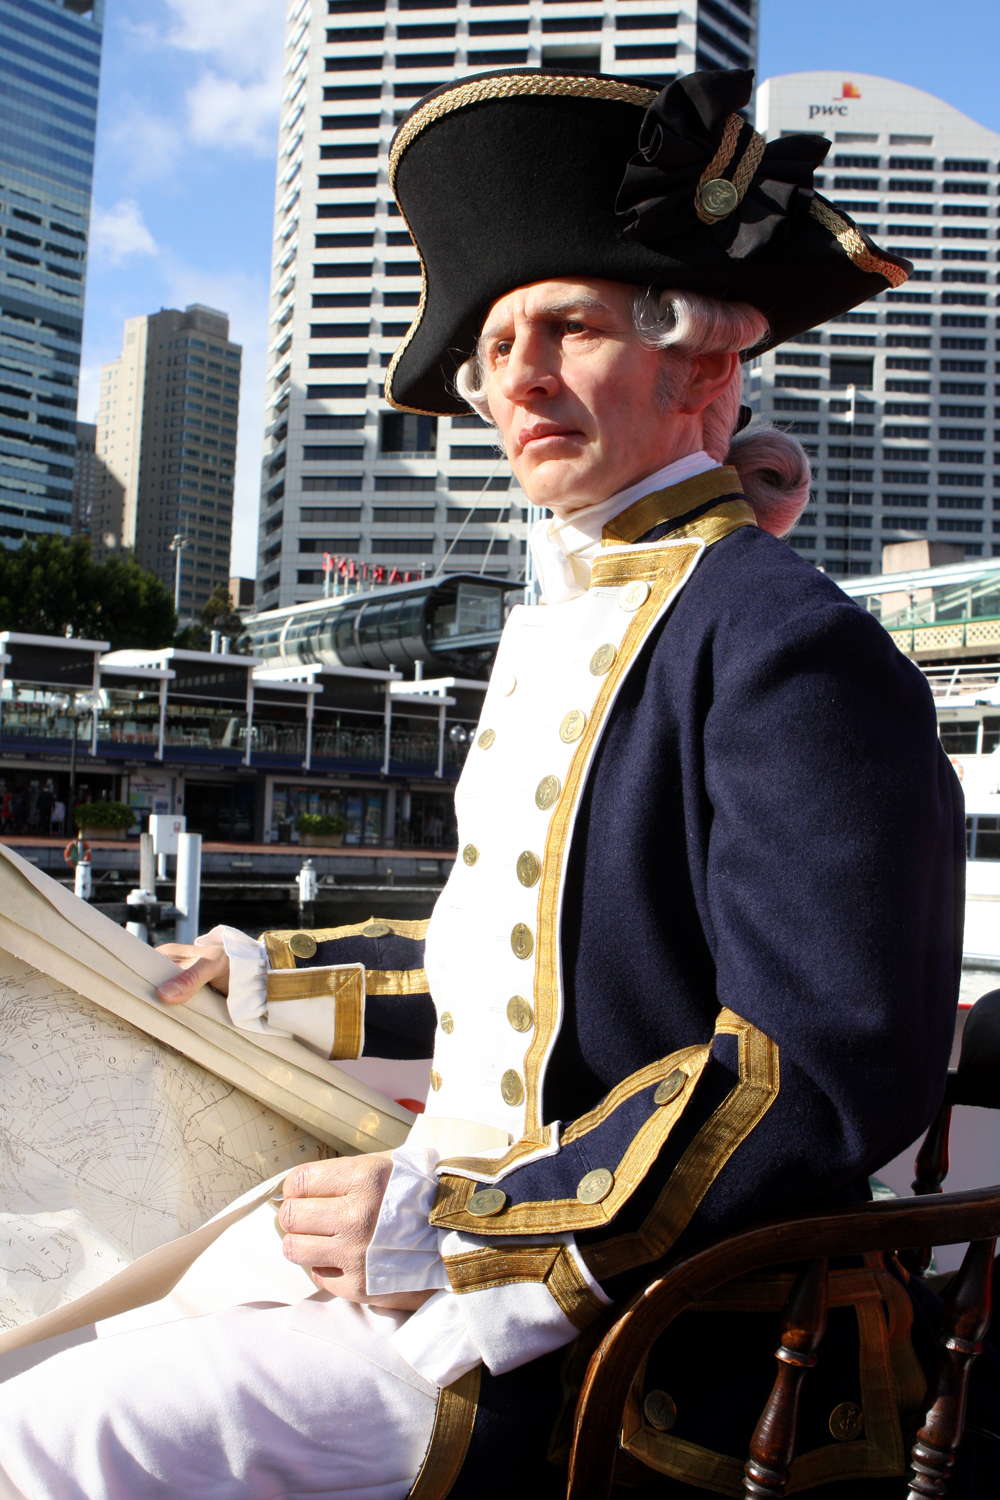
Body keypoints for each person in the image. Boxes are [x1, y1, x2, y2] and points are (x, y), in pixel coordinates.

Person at [0, 68, 985, 1499]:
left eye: (570, 328)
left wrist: (468, 1230)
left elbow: (817, 1066)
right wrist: (263, 975)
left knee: (59, 1436)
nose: (515, 378)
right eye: (496, 345)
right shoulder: (560, 628)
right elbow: (521, 969)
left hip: (624, 1326)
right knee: (44, 1343)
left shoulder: (786, 640)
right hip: (425, 1244)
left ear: (702, 364)